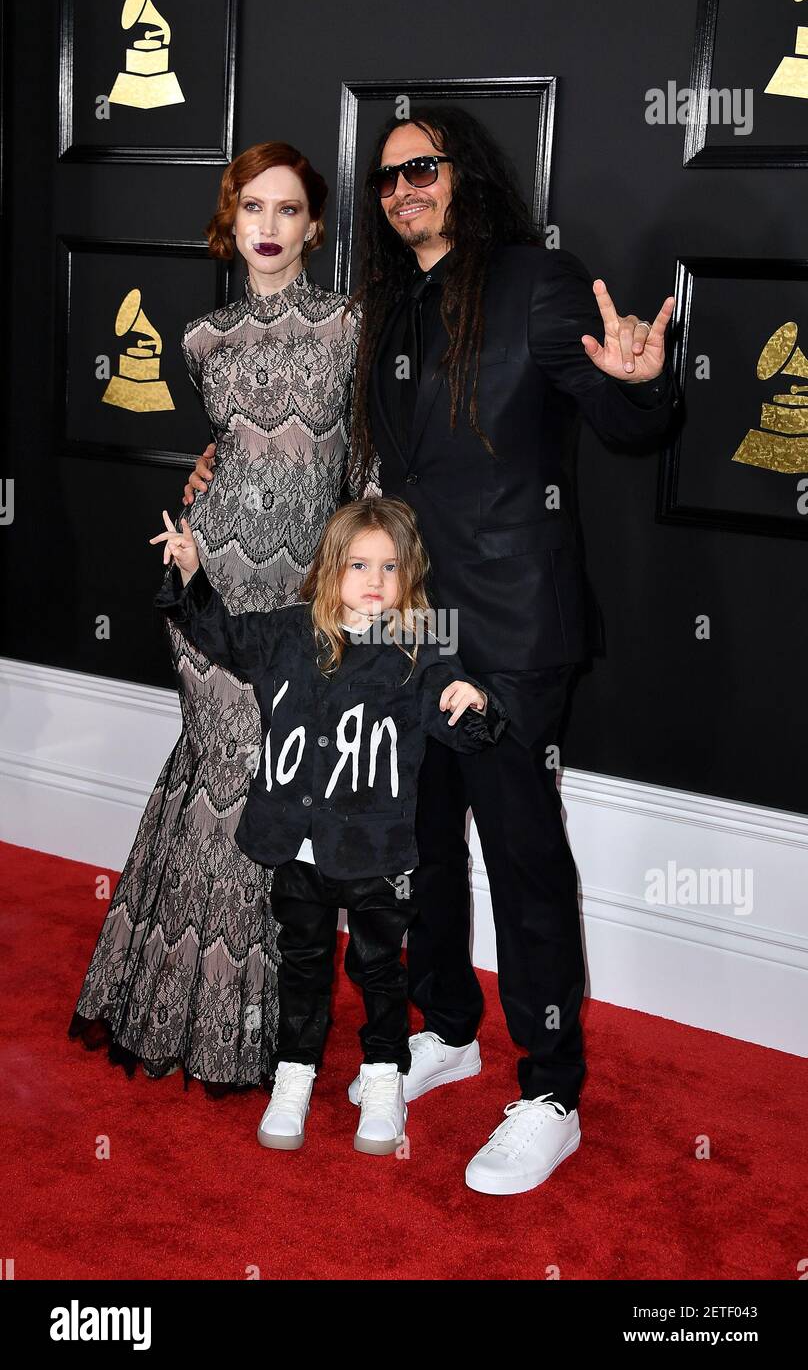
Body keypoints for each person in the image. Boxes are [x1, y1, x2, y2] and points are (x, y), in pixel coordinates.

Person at [185, 104, 681, 1193]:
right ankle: (447, 1025)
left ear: (467, 176)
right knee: (424, 846)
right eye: (389, 177)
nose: (404, 186)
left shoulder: (537, 287)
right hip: (407, 636)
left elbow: (627, 423)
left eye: (425, 168)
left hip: (510, 636)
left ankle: (551, 1088)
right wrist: (218, 463)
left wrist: (642, 384)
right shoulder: (386, 307)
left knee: (522, 857)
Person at [68, 141, 373, 1095]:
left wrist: (360, 582)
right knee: (217, 768)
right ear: (230, 221)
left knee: (266, 784)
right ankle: (179, 1005)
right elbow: (230, 461)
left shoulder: (351, 327)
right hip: (211, 579)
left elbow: (359, 466)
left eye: (288, 210)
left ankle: (255, 1024)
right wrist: (201, 505)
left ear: (314, 225)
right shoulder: (201, 341)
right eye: (253, 209)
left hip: (298, 596)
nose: (270, 227)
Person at [149, 496, 509, 1154]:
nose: (374, 581)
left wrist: (474, 701)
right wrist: (193, 573)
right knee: (303, 964)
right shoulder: (289, 633)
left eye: (390, 567)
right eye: (358, 565)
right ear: (327, 570)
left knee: (379, 970)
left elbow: (460, 718)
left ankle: (382, 1076)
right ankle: (296, 1072)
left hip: (377, 850)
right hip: (297, 844)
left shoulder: (418, 656)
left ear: (410, 578)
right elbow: (223, 634)